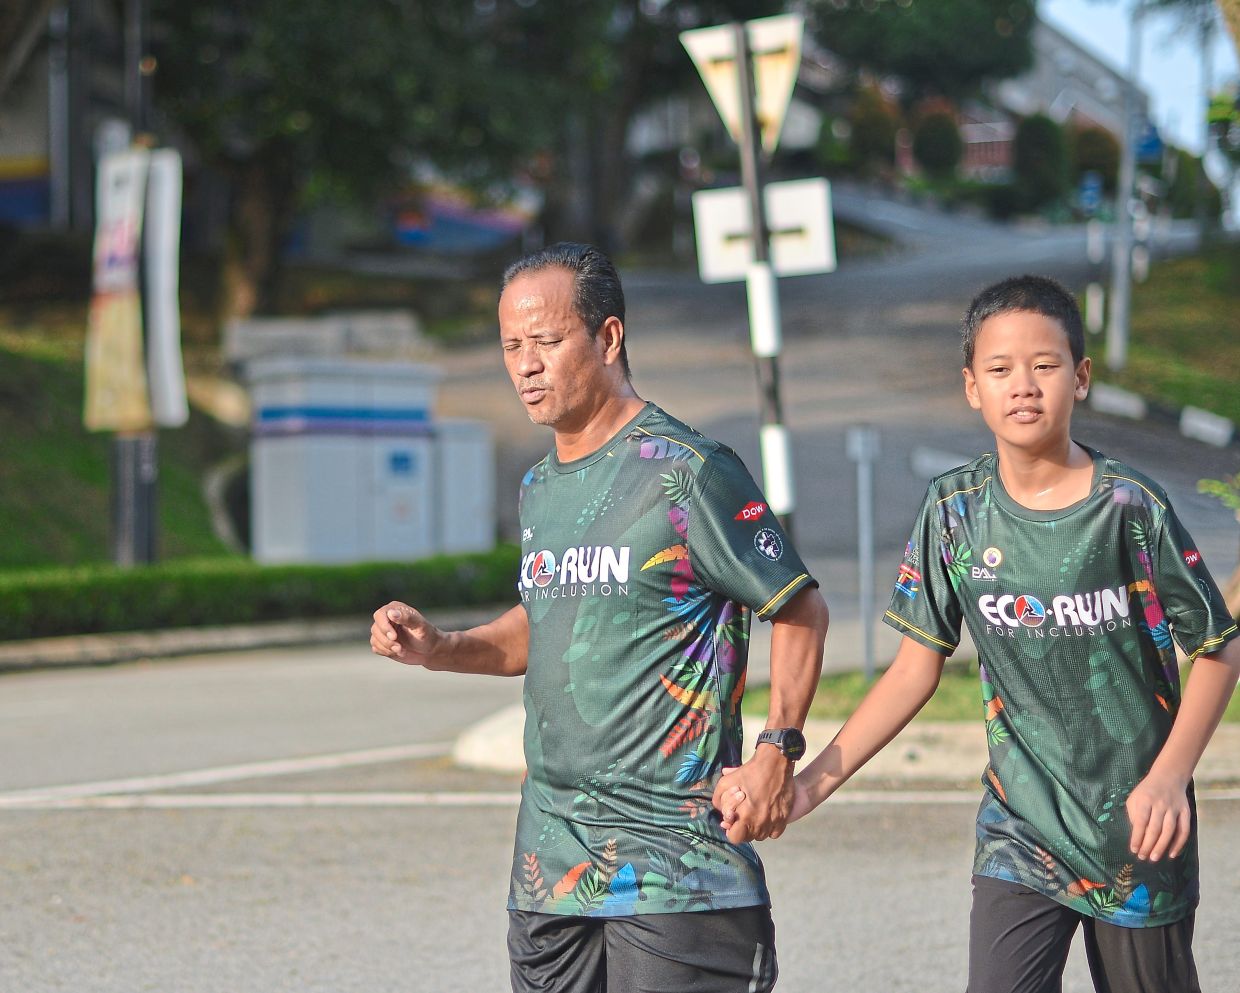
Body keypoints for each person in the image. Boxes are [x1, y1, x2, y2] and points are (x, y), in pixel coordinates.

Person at [717, 274, 1240, 993]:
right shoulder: (953, 511)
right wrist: (809, 786)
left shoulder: (1128, 507)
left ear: (1081, 377)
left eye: (1045, 365)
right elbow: (912, 670)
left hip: (1137, 831)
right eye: (1000, 369)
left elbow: (1217, 647)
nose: (1023, 385)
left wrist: (1171, 776)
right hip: (1019, 830)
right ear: (972, 387)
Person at [370, 242, 829, 993]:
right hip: (550, 865)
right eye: (511, 346)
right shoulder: (541, 486)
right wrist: (441, 647)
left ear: (608, 338)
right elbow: (548, 619)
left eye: (546, 342)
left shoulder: (690, 471)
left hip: (676, 870)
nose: (525, 365)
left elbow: (799, 604)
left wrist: (778, 747)